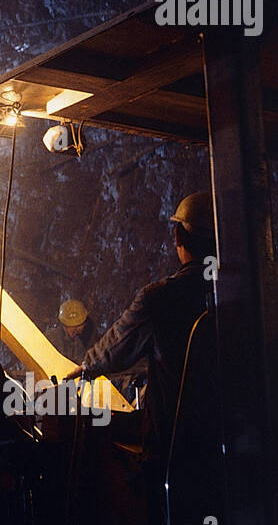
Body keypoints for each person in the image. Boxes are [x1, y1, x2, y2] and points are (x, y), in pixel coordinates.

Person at [64, 192, 215, 468]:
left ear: (178, 238)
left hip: (175, 445)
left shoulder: (162, 298)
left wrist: (86, 367)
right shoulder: (240, 295)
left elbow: (118, 347)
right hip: (229, 444)